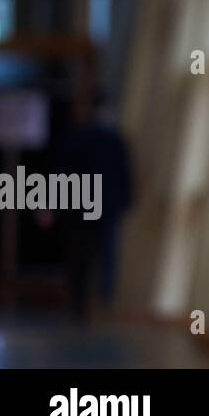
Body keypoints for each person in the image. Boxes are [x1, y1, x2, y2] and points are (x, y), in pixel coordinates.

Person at [52, 89, 133, 322]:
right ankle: (103, 302)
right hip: (106, 207)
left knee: (79, 255)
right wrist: (124, 201)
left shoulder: (77, 137)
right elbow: (123, 175)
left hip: (79, 207)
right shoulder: (115, 139)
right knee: (106, 254)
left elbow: (62, 172)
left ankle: (78, 300)